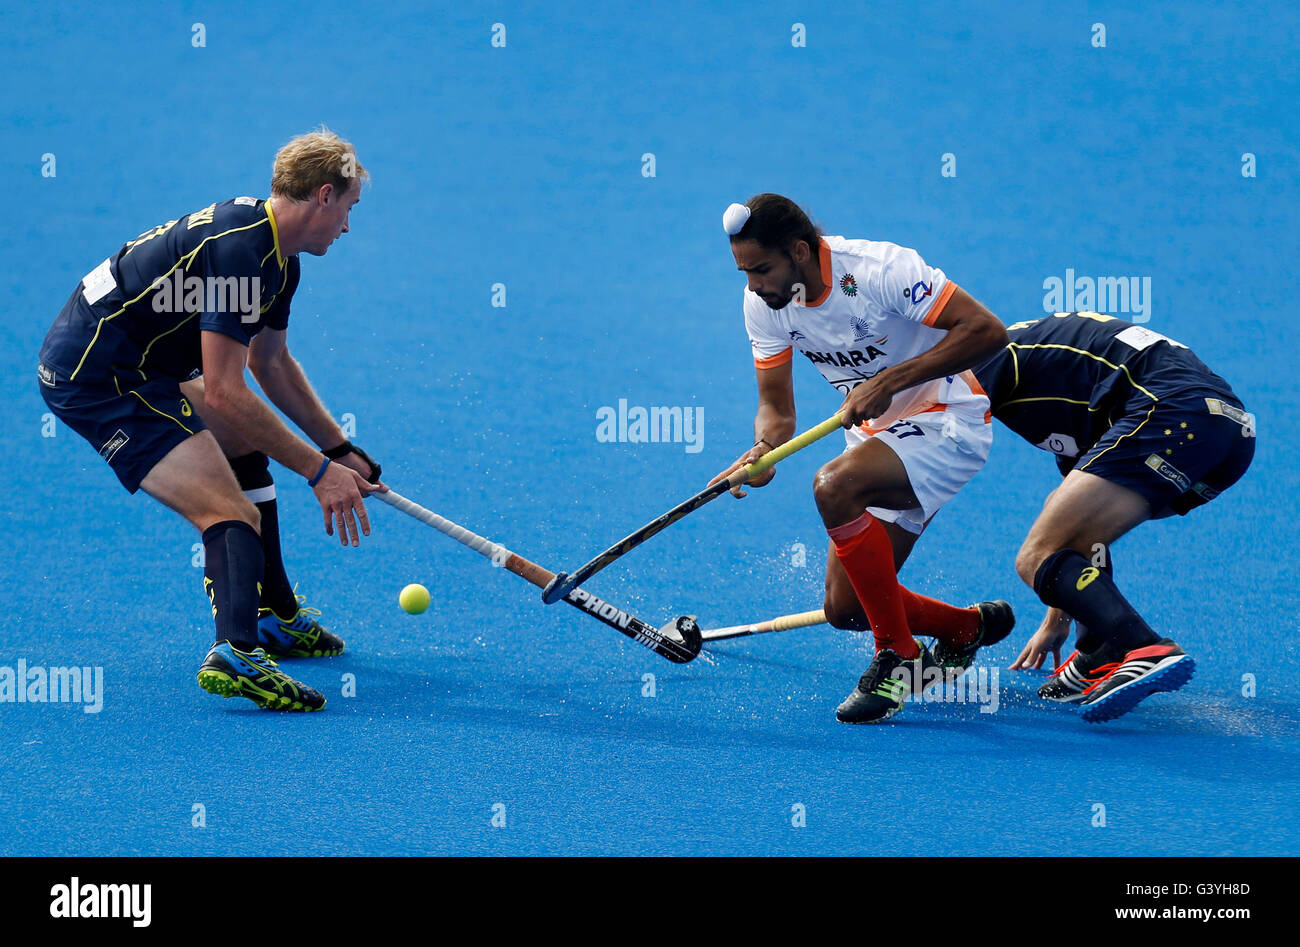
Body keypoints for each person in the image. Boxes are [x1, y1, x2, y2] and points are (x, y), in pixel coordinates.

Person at [37, 128, 385, 712]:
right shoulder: (240, 250)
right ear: (323, 196)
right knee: (228, 510)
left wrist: (339, 446)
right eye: (348, 208)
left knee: (243, 449)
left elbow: (269, 364)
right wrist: (318, 471)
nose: (348, 226)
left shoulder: (279, 257)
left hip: (147, 363)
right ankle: (236, 650)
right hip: (100, 376)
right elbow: (224, 391)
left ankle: (274, 615)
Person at [709, 194, 1014, 723]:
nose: (753, 285)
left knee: (834, 486)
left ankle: (899, 656)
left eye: (761, 269)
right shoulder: (763, 305)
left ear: (800, 251)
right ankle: (967, 629)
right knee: (847, 609)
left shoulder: (879, 271)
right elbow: (776, 408)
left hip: (947, 418)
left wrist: (891, 380)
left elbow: (987, 331)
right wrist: (764, 449)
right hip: (878, 436)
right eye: (744, 272)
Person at [974, 311, 1255, 721]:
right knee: (1066, 524)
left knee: (1034, 557)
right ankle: (1099, 651)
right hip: (1227, 436)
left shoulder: (984, 359)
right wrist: (1060, 613)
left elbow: (928, 454)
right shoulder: (1054, 381)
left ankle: (1142, 646)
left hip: (1173, 415)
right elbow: (1078, 527)